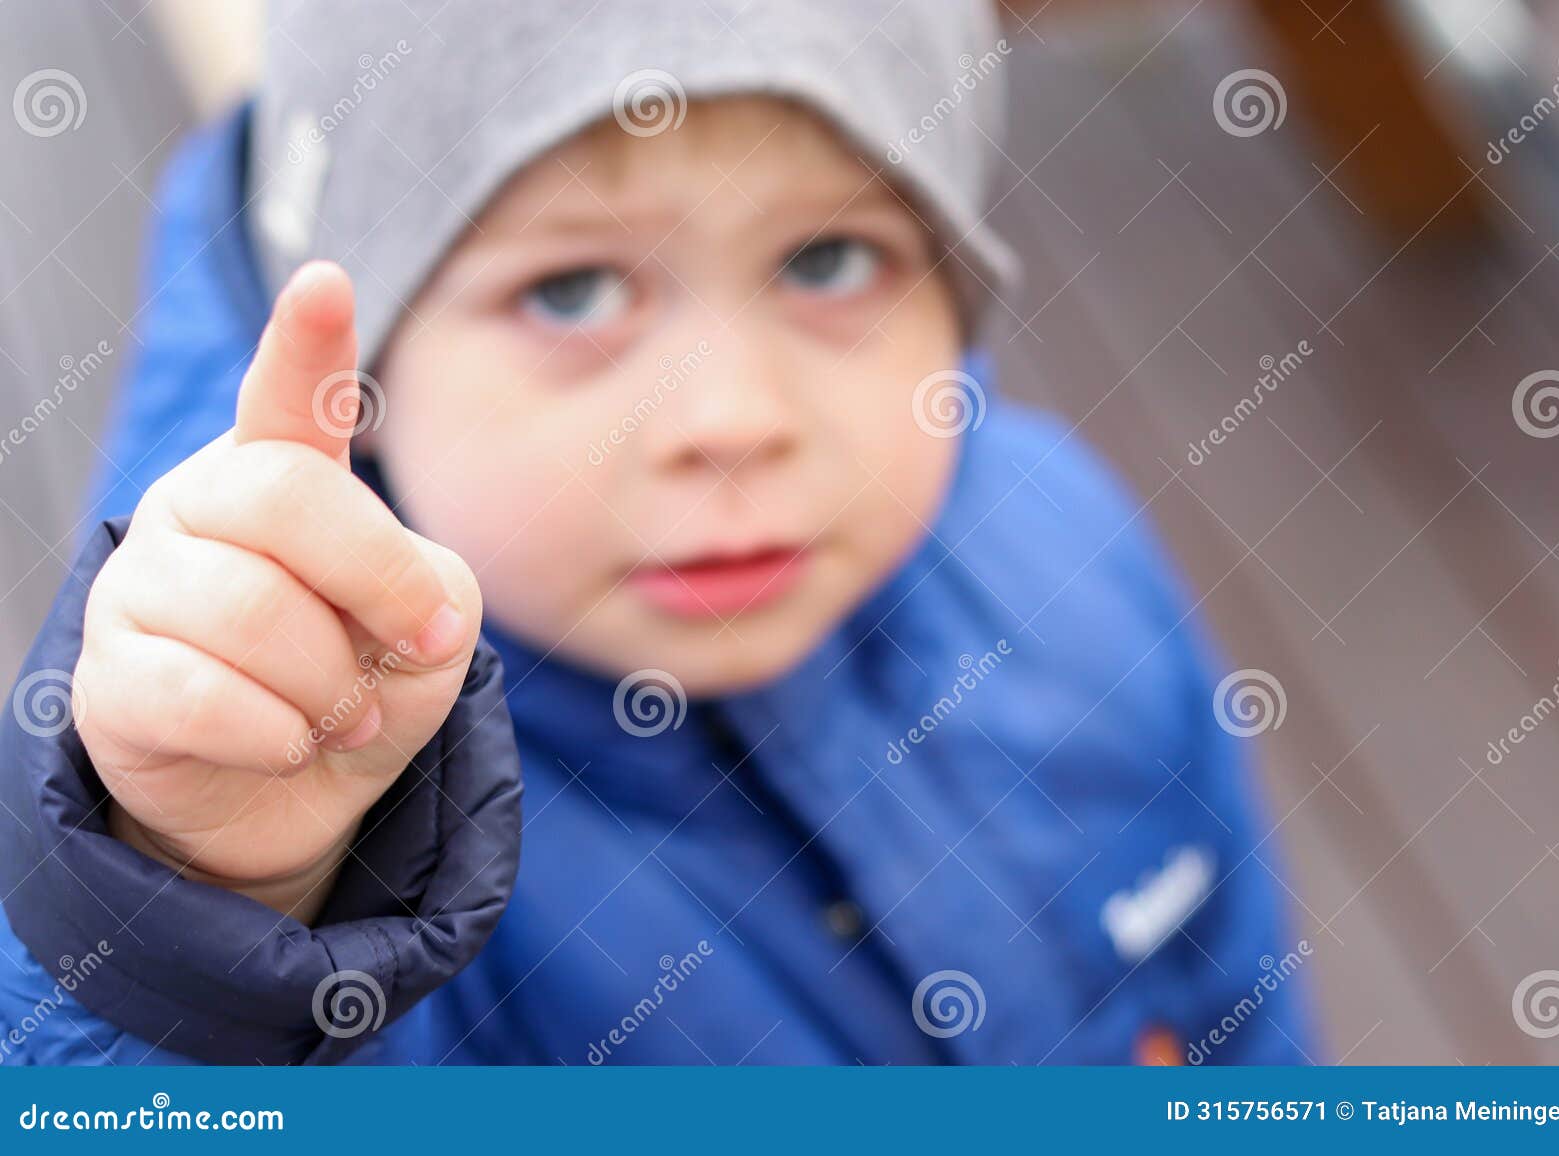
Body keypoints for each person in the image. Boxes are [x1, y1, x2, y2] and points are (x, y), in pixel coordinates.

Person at [0, 0, 1313, 1065]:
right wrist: (208, 902)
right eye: (573, 290)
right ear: (370, 380)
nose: (731, 420)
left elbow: (1243, 1032)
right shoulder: (341, 843)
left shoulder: (1067, 557)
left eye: (830, 261)